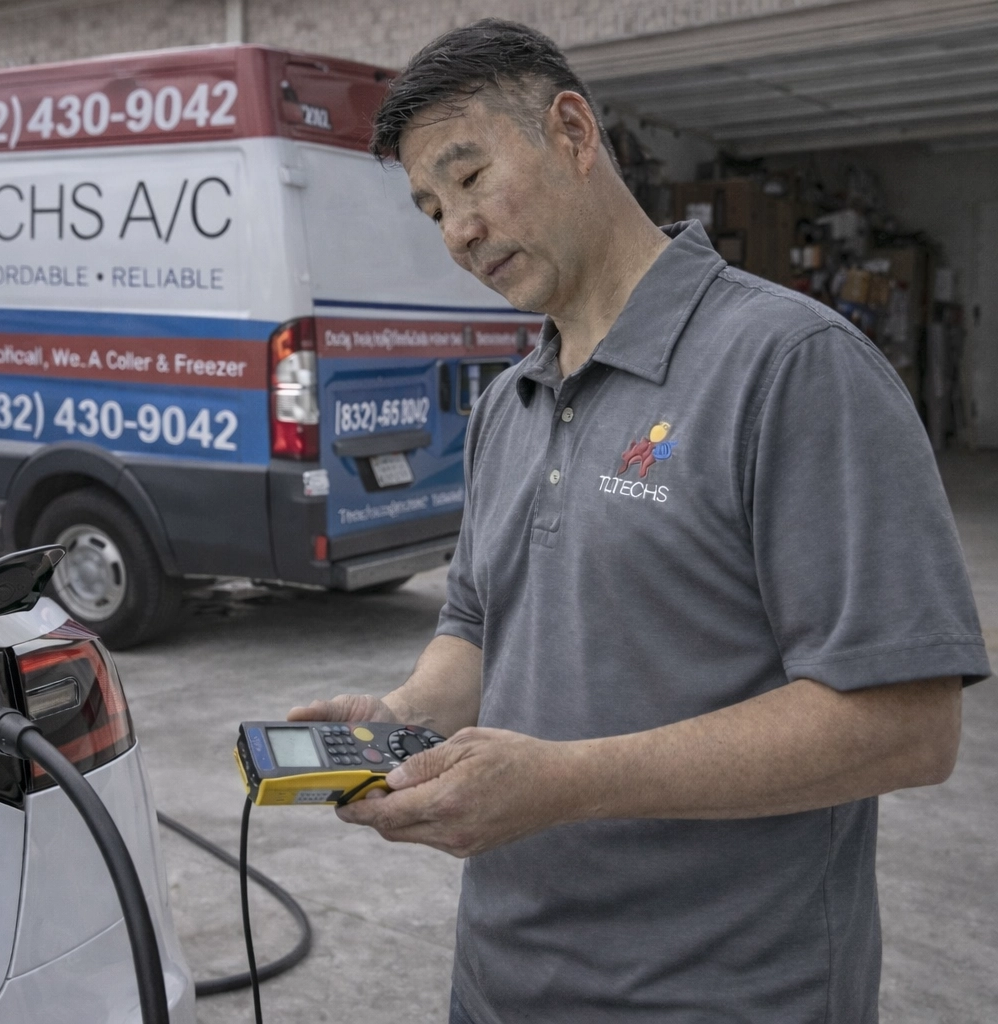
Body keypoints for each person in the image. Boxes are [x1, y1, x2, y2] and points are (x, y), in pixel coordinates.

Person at [289, 18, 989, 1024]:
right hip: (501, 980)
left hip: (724, 994)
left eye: (472, 177)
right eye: (432, 208)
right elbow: (480, 628)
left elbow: (907, 725)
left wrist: (567, 781)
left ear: (572, 131)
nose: (458, 231)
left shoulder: (790, 367)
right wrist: (403, 718)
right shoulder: (507, 403)